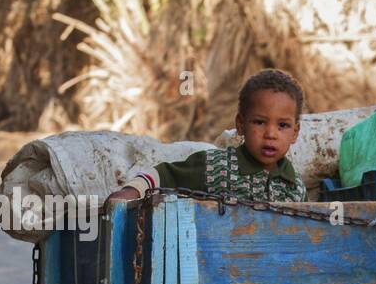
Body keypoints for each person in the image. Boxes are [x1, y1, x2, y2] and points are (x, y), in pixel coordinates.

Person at [107, 69, 307, 203]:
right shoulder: (214, 166)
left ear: (295, 133)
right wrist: (133, 191)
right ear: (240, 125)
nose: (271, 134)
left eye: (282, 125)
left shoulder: (296, 186)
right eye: (259, 122)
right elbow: (165, 175)